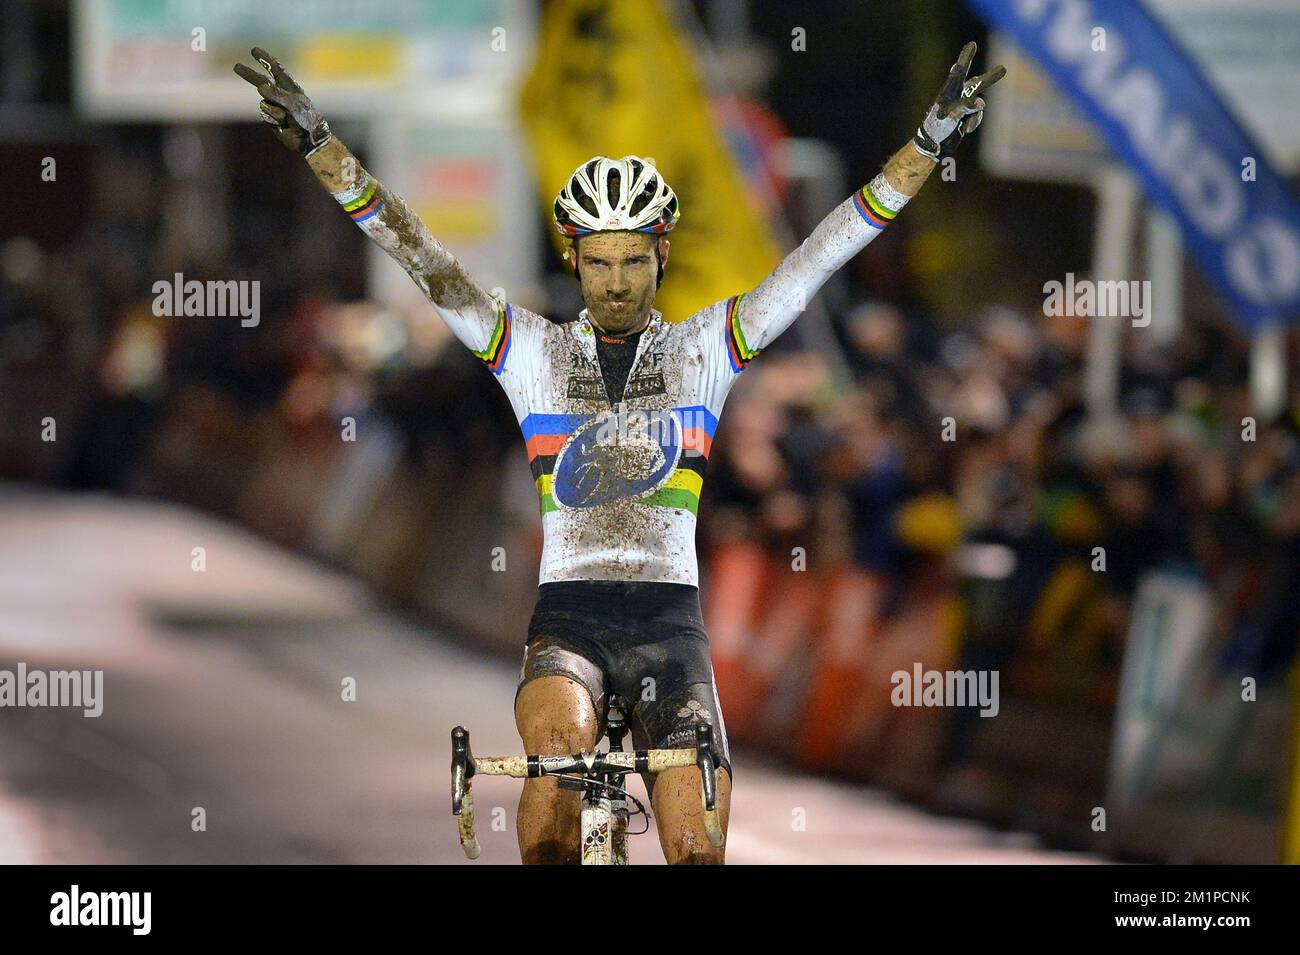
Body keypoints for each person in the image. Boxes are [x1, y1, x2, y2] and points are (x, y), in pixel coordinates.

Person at [235, 42, 1004, 864]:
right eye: (598, 261)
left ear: (662, 255)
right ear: (573, 258)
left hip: (672, 627)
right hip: (568, 621)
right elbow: (420, 256)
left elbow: (823, 251)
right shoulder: (528, 352)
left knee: (698, 842)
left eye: (632, 259)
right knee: (560, 757)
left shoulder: (709, 346)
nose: (614, 282)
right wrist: (324, 148)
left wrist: (925, 146)